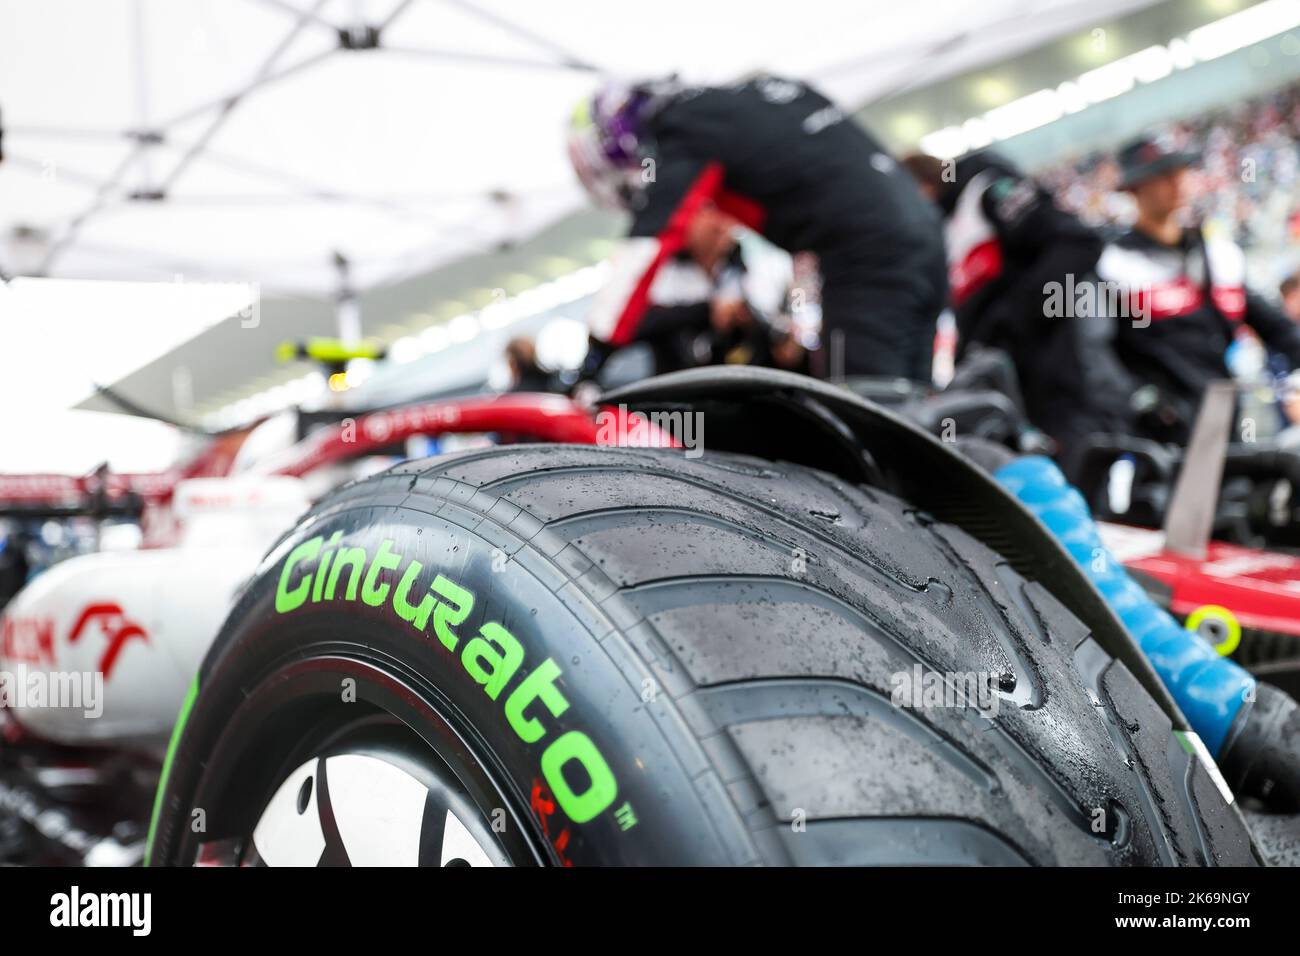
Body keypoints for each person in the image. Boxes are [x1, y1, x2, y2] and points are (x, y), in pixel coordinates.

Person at [567, 75, 947, 382]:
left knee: (867, 414)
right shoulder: (756, 97)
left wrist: (596, 352)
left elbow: (647, 243)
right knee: (912, 405)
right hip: (926, 238)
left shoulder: (683, 129)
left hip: (867, 256)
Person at [902, 150, 1118, 469]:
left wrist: (1013, 324)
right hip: (1010, 398)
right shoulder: (943, 231)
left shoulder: (986, 191)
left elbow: (1077, 243)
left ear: (924, 186)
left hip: (1055, 389)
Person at [1095, 136, 1300, 443]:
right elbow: (1096, 355)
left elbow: (1276, 327)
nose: (1177, 183)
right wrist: (1142, 401)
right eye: (1163, 176)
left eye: (1180, 172)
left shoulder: (1217, 254)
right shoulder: (1113, 266)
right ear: (1135, 189)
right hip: (1167, 437)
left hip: (1227, 421)